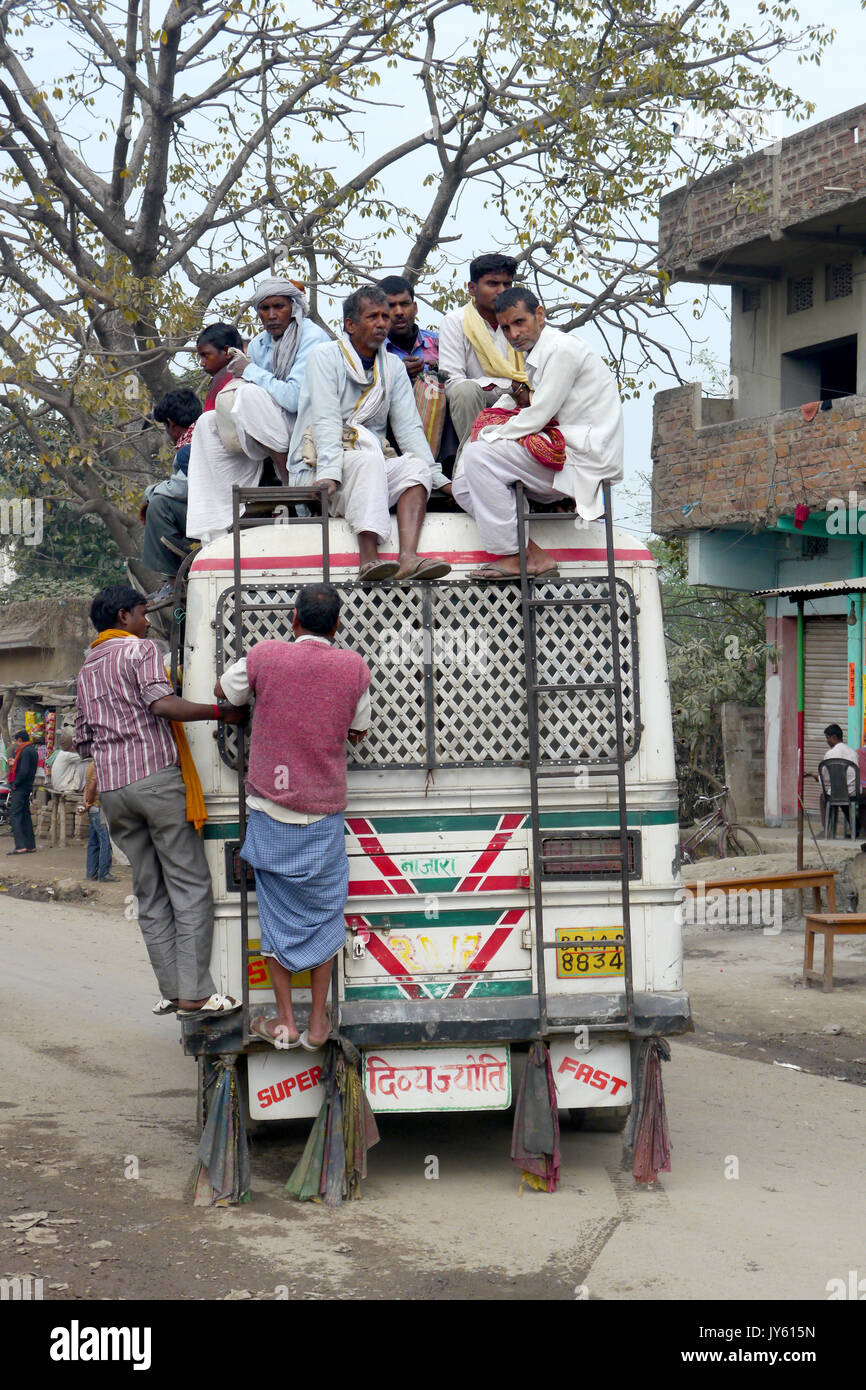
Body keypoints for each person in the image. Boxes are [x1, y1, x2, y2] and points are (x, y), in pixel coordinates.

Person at [74, 585, 247, 1017]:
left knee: (149, 892)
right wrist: (220, 713)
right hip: (155, 780)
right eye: (141, 612)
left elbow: (81, 739)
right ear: (123, 616)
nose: (147, 620)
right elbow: (162, 704)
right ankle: (195, 994)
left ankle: (172, 991)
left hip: (115, 791)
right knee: (189, 886)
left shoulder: (87, 667)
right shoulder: (139, 651)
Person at [216, 583, 371, 1050]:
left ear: (294, 620)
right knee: (325, 917)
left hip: (270, 811)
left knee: (276, 917)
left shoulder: (265, 655)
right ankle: (318, 1024)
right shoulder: (354, 667)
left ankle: (284, 1022)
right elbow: (358, 733)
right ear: (338, 626)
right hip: (323, 816)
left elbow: (223, 692)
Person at [452, 287, 624, 580]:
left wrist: (492, 434)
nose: (514, 333)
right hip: (565, 452)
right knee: (463, 485)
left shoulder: (561, 350)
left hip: (583, 460)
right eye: (506, 328)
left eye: (520, 322)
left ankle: (511, 556)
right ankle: (534, 555)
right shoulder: (539, 353)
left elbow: (540, 414)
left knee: (479, 453)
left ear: (540, 315)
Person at [289, 286, 452, 581]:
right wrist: (328, 473)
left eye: (385, 317)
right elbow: (325, 419)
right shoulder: (323, 356)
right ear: (350, 325)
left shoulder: (392, 366)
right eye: (373, 317)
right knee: (368, 460)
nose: (382, 323)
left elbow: (409, 428)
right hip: (320, 466)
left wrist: (438, 477)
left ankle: (408, 557)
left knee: (414, 468)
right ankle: (368, 559)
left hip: (369, 462)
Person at [186, 277, 328, 543]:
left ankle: (285, 469)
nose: (271, 315)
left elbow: (294, 398)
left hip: (306, 428)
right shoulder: (261, 343)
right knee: (206, 423)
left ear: (294, 307)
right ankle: (214, 527)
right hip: (269, 426)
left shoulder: (313, 338)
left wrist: (249, 370)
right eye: (264, 308)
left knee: (248, 394)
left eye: (279, 306)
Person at [438, 253, 525, 454]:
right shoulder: (455, 321)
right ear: (472, 288)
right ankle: (476, 454)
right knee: (465, 390)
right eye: (493, 284)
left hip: (520, 402)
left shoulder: (523, 322)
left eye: (507, 284)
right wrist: (508, 386)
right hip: (476, 406)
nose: (502, 291)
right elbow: (453, 381)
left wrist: (518, 389)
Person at [141, 389, 203, 606]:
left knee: (157, 504)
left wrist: (150, 492)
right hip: (219, 510)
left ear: (171, 423)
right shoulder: (205, 432)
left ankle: (172, 578)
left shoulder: (190, 445)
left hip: (211, 515)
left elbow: (182, 488)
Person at [80, 761, 116, 882]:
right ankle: (104, 873)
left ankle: (91, 873)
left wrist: (86, 802)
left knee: (94, 841)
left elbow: (87, 785)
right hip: (98, 807)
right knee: (105, 841)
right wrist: (89, 801)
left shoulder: (90, 765)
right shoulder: (100, 764)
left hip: (93, 808)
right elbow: (92, 785)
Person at [197, 322, 245, 410]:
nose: (202, 363)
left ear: (227, 352)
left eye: (205, 355)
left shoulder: (224, 379)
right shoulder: (250, 376)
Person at [6, 730, 38, 854]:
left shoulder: (24, 751)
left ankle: (20, 846)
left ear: (20, 740)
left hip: (20, 787)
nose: (15, 744)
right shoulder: (32, 750)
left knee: (15, 815)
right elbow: (26, 768)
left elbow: (24, 771)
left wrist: (15, 784)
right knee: (25, 815)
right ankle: (30, 845)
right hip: (28, 786)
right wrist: (15, 764)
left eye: (16, 741)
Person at [821, 723, 860, 796]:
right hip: (853, 793)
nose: (827, 741)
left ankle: (832, 807)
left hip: (836, 793)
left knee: (824, 797)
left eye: (827, 738)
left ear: (834, 737)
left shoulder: (830, 754)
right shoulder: (854, 753)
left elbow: (825, 779)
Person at [47, 730, 86, 794]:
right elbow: (84, 756)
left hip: (57, 786)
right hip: (64, 787)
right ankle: (78, 789)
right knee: (81, 765)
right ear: (71, 746)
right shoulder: (66, 755)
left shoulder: (59, 753)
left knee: (75, 764)